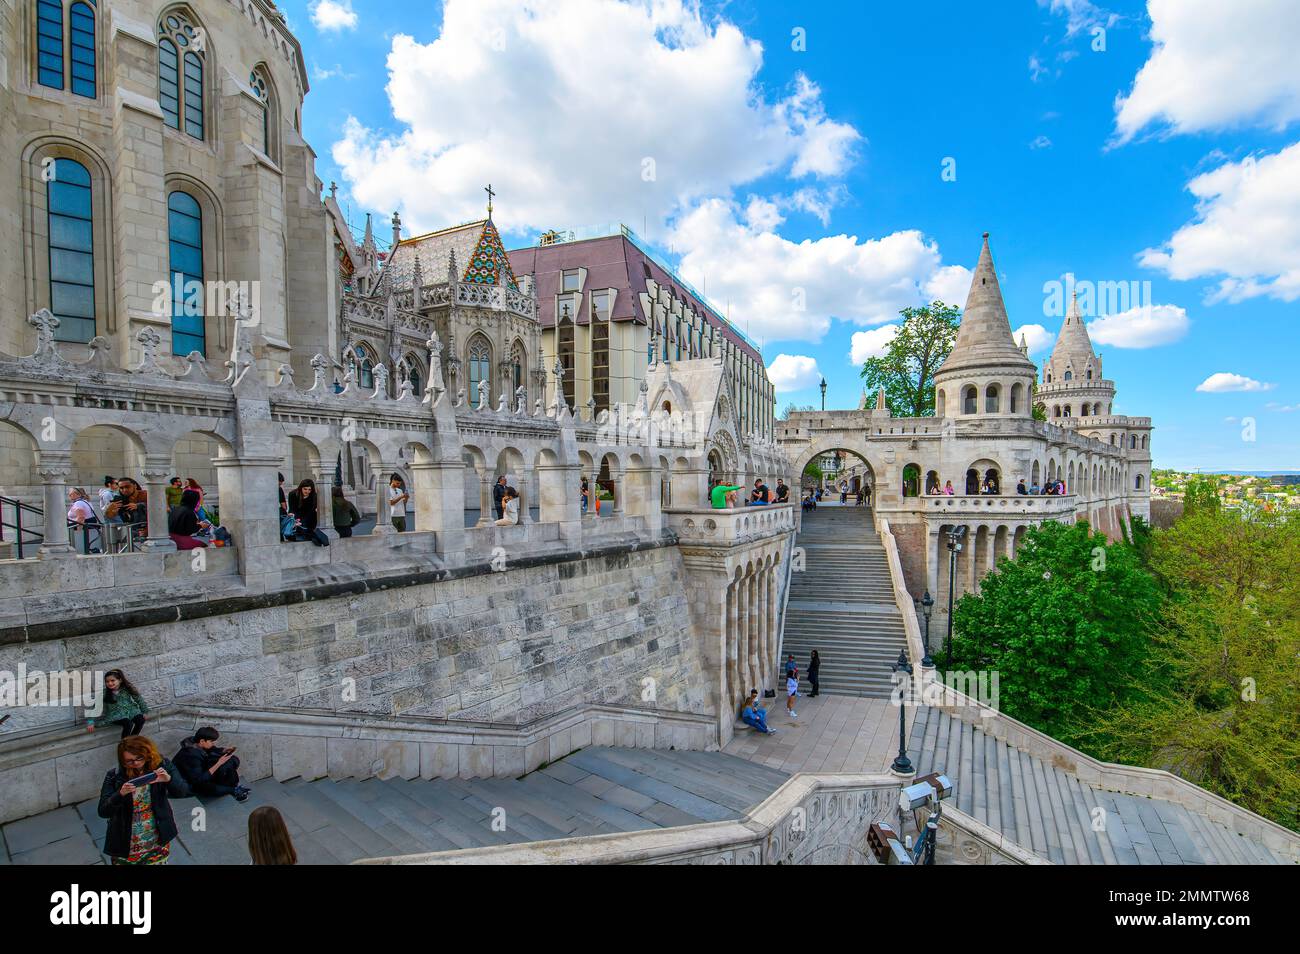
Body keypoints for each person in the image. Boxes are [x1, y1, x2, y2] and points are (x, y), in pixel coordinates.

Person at [98, 735, 190, 865]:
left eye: (139, 758)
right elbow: (103, 811)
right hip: (126, 839)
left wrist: (168, 780)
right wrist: (120, 794)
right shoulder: (114, 776)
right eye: (129, 761)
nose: (135, 763)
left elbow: (183, 791)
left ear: (147, 754)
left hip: (157, 834)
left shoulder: (163, 765)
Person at [173, 726, 249, 801]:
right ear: (202, 741)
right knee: (208, 785)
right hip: (188, 783)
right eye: (211, 741)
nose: (213, 743)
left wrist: (224, 750)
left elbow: (211, 749)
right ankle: (233, 790)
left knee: (231, 761)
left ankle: (232, 786)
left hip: (199, 771)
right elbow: (199, 781)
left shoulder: (195, 741)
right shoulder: (191, 756)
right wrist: (218, 763)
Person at [87, 669, 149, 738]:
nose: (110, 683)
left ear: (120, 680)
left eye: (112, 680)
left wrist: (145, 711)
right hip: (115, 715)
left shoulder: (127, 689)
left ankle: (133, 739)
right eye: (107, 681)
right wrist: (90, 721)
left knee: (140, 720)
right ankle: (124, 744)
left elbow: (139, 699)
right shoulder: (104, 693)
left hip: (131, 711)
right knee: (128, 724)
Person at [287, 478, 328, 546]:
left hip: (309, 518)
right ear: (301, 488)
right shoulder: (293, 494)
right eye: (305, 489)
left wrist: (303, 522)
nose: (307, 491)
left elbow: (311, 511)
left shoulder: (314, 496)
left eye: (309, 489)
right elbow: (292, 509)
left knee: (308, 530)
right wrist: (295, 520)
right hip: (296, 517)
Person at [67, 487, 101, 553]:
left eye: (71, 494)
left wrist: (79, 533)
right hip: (90, 528)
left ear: (78, 495)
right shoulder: (86, 502)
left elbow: (81, 517)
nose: (69, 495)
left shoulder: (78, 503)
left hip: (82, 529)